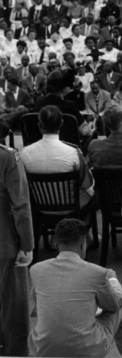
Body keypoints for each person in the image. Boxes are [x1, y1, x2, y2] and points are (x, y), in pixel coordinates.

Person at [28, 218, 122, 358]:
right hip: (86, 350)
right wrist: (113, 280)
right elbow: (115, 305)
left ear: (56, 245)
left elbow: (37, 302)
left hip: (42, 348)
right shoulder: (97, 272)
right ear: (83, 244)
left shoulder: (37, 270)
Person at [20, 106, 94, 210]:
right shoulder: (73, 152)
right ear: (61, 123)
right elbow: (87, 184)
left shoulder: (25, 153)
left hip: (40, 211)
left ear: (39, 126)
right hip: (70, 211)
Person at [0, 142, 33, 357]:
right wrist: (27, 244)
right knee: (14, 306)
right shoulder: (7, 157)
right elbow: (20, 205)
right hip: (5, 241)